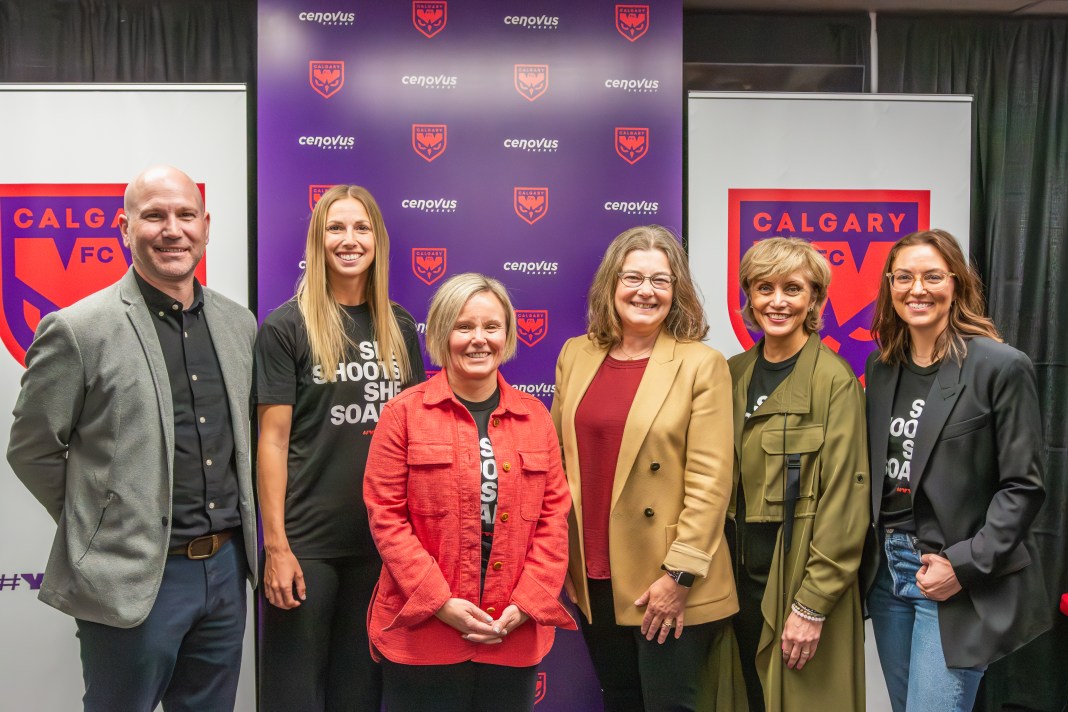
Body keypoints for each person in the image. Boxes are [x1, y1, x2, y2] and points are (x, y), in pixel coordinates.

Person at [7, 165, 258, 711]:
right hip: (134, 576)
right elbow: (31, 448)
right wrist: (100, 519)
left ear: (206, 226)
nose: (173, 230)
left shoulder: (240, 325)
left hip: (225, 570)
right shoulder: (78, 329)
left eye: (186, 215)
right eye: (155, 216)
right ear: (124, 226)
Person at [363, 273, 574, 712]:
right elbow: (386, 516)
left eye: (491, 327)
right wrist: (439, 603)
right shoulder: (403, 415)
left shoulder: (536, 418)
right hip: (423, 634)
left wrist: (527, 603)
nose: (479, 340)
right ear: (442, 334)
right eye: (464, 327)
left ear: (508, 335)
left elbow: (555, 518)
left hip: (511, 631)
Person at [551, 225, 735, 712]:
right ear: (611, 284)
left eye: (660, 280)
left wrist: (679, 576)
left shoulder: (701, 364)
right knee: (622, 700)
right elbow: (557, 463)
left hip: (669, 578)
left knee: (669, 706)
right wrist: (561, 558)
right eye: (633, 277)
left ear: (677, 293)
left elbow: (711, 481)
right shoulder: (576, 354)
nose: (645, 291)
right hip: (594, 575)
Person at [254, 184, 425, 711]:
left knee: (359, 695)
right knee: (295, 695)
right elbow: (273, 440)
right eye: (336, 228)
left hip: (382, 545)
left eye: (361, 227)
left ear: (377, 240)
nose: (349, 240)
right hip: (309, 547)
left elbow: (418, 435)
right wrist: (277, 547)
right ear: (317, 240)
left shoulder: (397, 325)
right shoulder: (287, 327)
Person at [864, 229, 1049, 712]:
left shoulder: (1000, 366)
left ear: (956, 284)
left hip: (951, 576)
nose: (917, 289)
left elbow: (1023, 488)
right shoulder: (881, 368)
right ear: (889, 285)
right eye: (903, 277)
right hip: (888, 574)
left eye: (932, 276)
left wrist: (962, 566)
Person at [727, 237, 869, 712]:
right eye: (764, 288)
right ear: (749, 296)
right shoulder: (731, 374)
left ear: (815, 299)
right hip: (734, 585)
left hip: (796, 581)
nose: (777, 301)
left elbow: (846, 503)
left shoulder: (835, 381)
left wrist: (812, 603)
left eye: (793, 288)